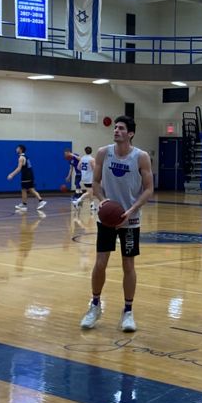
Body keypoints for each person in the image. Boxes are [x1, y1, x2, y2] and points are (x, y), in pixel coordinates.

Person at [82, 116, 154, 332]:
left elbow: (149, 189)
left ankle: (128, 311)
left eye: (121, 128)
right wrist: (102, 201)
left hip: (130, 220)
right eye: (115, 127)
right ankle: (95, 306)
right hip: (107, 219)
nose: (116, 130)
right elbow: (95, 182)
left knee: (128, 265)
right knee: (100, 263)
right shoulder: (104, 152)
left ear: (130, 133)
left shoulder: (140, 157)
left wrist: (132, 210)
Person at [8, 144, 47, 212]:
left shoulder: (21, 158)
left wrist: (11, 174)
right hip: (29, 175)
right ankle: (38, 201)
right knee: (30, 189)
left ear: (20, 149)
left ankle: (25, 204)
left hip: (26, 175)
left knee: (24, 189)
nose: (16, 149)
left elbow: (19, 168)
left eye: (17, 148)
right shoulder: (25, 156)